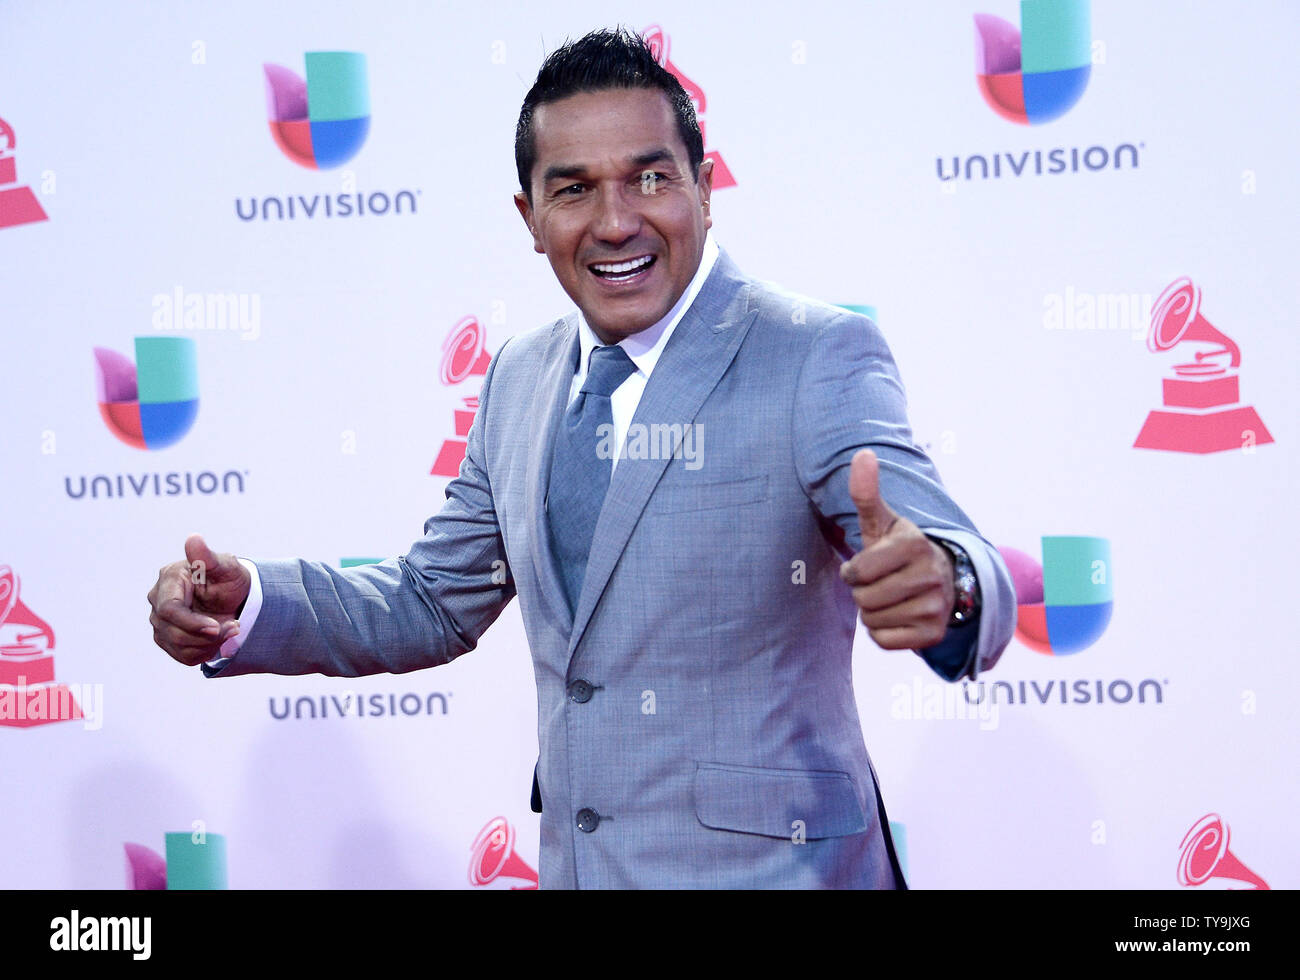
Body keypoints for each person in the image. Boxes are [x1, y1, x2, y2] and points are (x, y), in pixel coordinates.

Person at [148, 27, 1015, 888]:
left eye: (650, 177)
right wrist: (248, 602)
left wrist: (950, 585)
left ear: (706, 191)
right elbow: (430, 602)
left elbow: (943, 543)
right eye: (574, 189)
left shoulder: (811, 354)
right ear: (530, 218)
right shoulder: (520, 376)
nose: (616, 220)